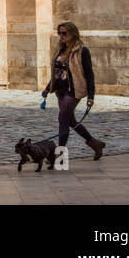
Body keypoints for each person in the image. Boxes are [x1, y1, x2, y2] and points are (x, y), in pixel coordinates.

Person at [42, 21, 106, 160]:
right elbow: (57, 72)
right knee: (70, 120)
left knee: (63, 118)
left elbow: (89, 74)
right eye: (59, 33)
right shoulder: (60, 49)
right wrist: (48, 88)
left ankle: (60, 158)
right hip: (60, 91)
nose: (61, 36)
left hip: (74, 90)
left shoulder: (82, 51)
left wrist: (91, 96)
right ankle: (95, 144)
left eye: (64, 33)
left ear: (73, 33)